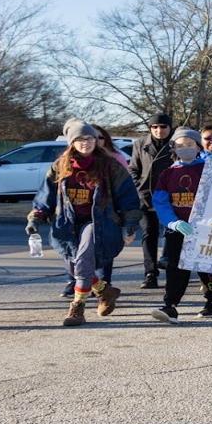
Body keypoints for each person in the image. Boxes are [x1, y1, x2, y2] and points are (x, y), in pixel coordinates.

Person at [27, 120, 142, 326]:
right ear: (72, 142)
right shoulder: (60, 166)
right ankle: (104, 291)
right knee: (74, 265)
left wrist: (129, 225)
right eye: (79, 139)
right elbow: (46, 195)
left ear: (96, 141)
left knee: (82, 262)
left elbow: (128, 198)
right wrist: (36, 216)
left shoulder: (110, 166)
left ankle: (77, 307)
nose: (85, 142)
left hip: (100, 222)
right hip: (67, 223)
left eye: (89, 138)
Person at [149, 127, 212, 322]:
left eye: (190, 145)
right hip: (179, 229)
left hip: (205, 228)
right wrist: (172, 222)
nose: (185, 148)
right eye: (180, 145)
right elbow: (160, 201)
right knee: (176, 267)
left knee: (207, 267)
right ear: (173, 148)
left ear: (198, 146)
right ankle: (170, 305)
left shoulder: (209, 167)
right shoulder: (167, 173)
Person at [128, 113, 174, 289]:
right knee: (148, 234)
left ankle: (169, 266)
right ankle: (150, 273)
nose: (159, 130)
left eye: (163, 127)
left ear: (169, 128)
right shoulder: (140, 144)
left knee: (171, 233)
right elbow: (133, 168)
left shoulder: (176, 143)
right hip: (146, 197)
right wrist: (139, 186)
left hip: (169, 197)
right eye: (155, 127)